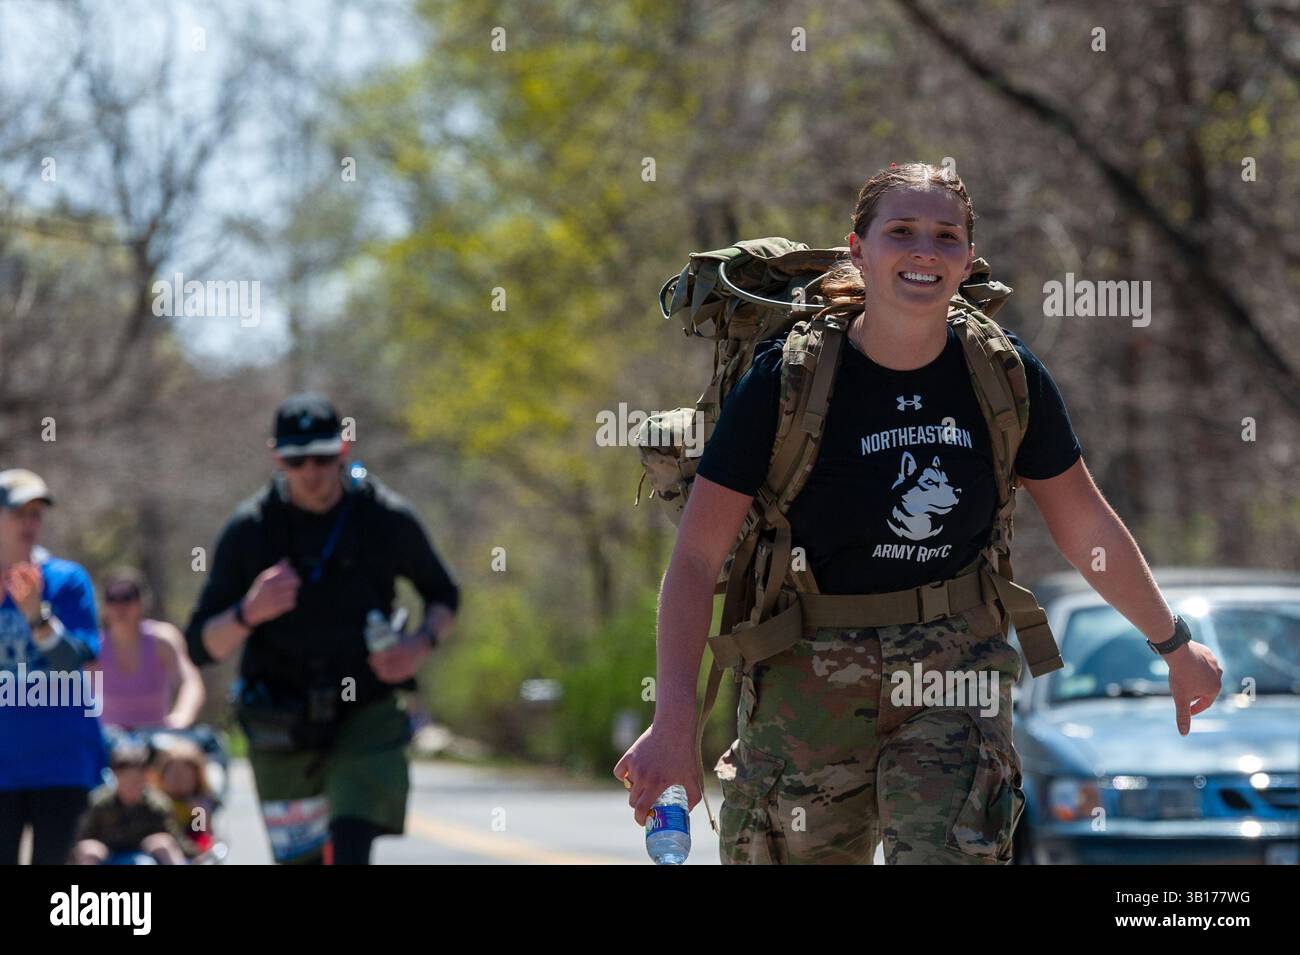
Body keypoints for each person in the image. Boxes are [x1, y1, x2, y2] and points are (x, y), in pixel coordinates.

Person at [614, 162, 1224, 864]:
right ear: (858, 249)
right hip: (805, 676)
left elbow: (1085, 526)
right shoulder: (788, 377)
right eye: (901, 231)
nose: (924, 251)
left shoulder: (1003, 375)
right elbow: (695, 556)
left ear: (967, 259)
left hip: (954, 672)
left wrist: (1174, 644)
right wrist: (673, 720)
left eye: (947, 236)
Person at [185, 392, 459, 864]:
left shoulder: (383, 517)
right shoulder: (251, 529)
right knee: (303, 861)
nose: (311, 471)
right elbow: (201, 645)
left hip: (366, 712)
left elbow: (443, 594)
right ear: (277, 457)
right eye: (297, 459)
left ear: (344, 448)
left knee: (351, 844)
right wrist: (250, 611)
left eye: (323, 456)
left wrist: (417, 645)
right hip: (280, 717)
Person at [0, 469, 105, 865]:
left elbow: (76, 664)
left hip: (61, 764)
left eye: (36, 514)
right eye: (18, 513)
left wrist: (37, 617)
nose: (30, 524)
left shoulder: (66, 581)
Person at [91, 567, 205, 731]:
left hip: (158, 740)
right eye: (112, 599)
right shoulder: (94, 647)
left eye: (127, 597)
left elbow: (191, 682)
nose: (120, 606)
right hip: (111, 743)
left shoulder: (162, 640)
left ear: (141, 602)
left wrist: (182, 717)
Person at [72, 739, 185, 865]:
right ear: (115, 775)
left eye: (137, 780)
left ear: (146, 777)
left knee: (164, 843)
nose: (132, 785)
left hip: (146, 854)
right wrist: (92, 848)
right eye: (126, 778)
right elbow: (80, 838)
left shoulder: (157, 804)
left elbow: (176, 839)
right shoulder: (99, 802)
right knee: (88, 850)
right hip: (107, 854)